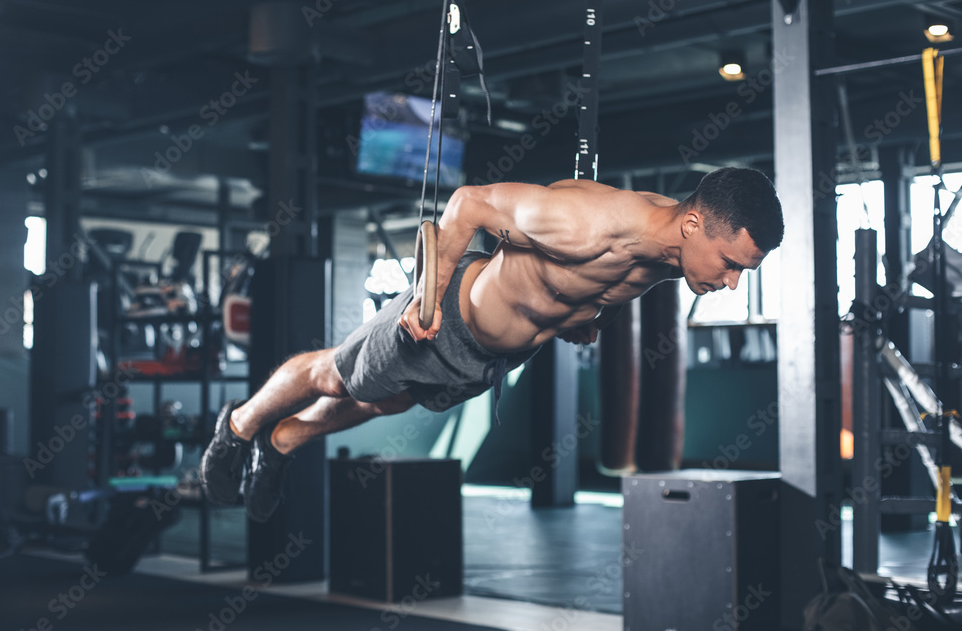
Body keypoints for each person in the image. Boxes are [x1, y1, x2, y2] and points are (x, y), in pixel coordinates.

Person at [200, 167, 784, 521]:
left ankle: (282, 440)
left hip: (494, 356)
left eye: (743, 273)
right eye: (732, 265)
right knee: (335, 374)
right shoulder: (591, 222)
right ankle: (240, 427)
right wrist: (427, 299)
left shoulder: (670, 257)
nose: (732, 283)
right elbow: (469, 203)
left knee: (391, 402)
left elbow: (589, 289)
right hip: (450, 317)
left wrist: (585, 318)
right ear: (692, 225)